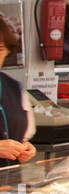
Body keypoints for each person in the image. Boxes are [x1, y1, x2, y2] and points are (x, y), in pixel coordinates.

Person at [0, 16, 35, 167]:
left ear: (7, 51)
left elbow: (23, 132)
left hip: (8, 184)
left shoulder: (15, 88)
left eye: (0, 49)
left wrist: (25, 147)